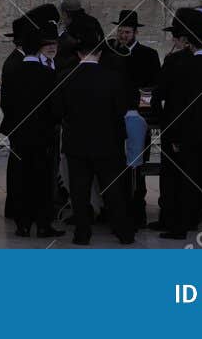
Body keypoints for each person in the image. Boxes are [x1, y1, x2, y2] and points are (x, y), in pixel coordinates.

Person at [154, 8, 202, 241]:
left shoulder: (176, 64)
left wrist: (171, 134)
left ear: (186, 40)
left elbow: (167, 102)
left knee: (187, 180)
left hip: (186, 134)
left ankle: (181, 226)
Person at [56, 17, 135, 245]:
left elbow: (57, 111)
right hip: (108, 143)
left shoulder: (64, 78)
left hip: (76, 143)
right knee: (113, 190)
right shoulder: (113, 78)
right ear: (99, 53)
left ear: (79, 54)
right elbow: (122, 109)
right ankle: (123, 232)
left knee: (79, 191)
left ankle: (82, 233)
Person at [1, 20, 64, 238]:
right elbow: (54, 108)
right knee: (42, 179)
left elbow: (5, 104)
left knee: (21, 179)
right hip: (42, 135)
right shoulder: (47, 75)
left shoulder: (12, 72)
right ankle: (43, 224)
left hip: (19, 134)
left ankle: (23, 224)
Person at [103, 10, 161, 222]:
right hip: (116, 116)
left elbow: (154, 85)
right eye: (120, 32)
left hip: (140, 115)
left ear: (135, 32)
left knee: (138, 161)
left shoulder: (148, 54)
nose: (123, 36)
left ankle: (138, 202)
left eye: (127, 32)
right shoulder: (111, 54)